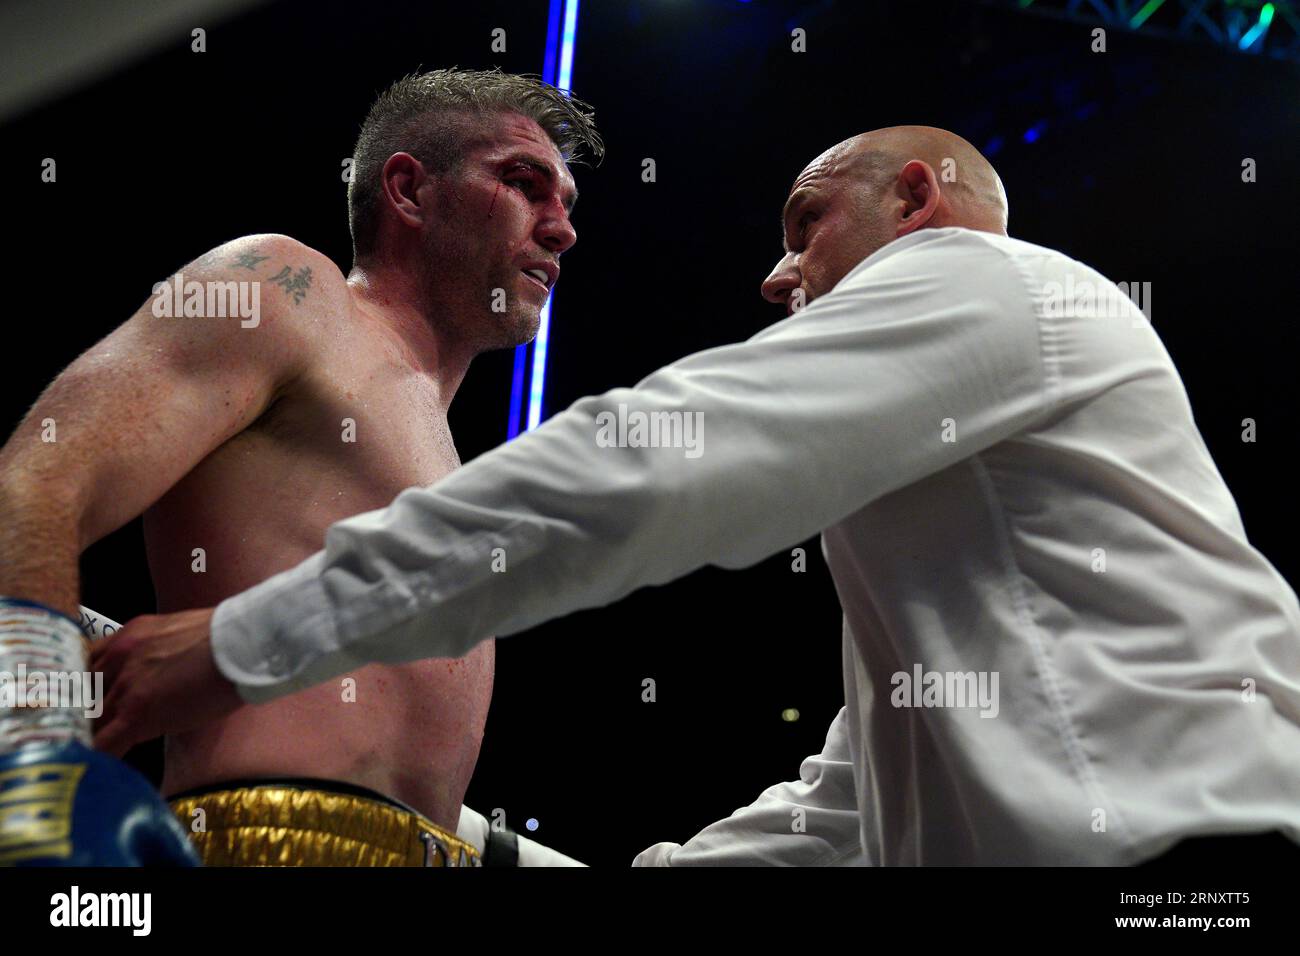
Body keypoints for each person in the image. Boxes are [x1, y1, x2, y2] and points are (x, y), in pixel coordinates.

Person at [91, 126, 1300, 865]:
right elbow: (856, 797)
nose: (777, 274)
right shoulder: (964, 461)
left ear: (917, 203)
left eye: (805, 224)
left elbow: (660, 459)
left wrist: (251, 637)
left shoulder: (981, 279)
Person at [0, 67, 600, 866]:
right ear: (409, 192)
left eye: (567, 204)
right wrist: (33, 751)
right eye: (524, 184)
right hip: (270, 839)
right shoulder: (286, 291)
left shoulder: (447, 455)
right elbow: (37, 482)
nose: (560, 229)